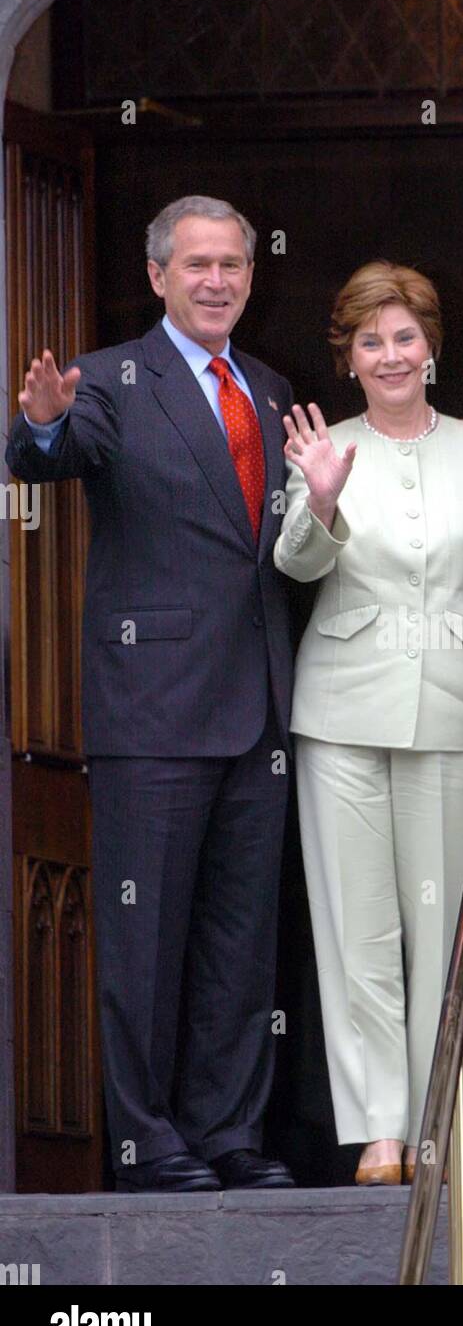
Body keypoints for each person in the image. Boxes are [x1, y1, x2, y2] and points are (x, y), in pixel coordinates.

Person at [7, 196, 295, 1192]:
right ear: (158, 276)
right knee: (146, 935)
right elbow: (50, 454)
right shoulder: (112, 378)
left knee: (238, 939)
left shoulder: (266, 385)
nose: (216, 281)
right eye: (197, 264)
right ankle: (147, 1138)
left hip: (258, 706)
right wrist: (38, 423)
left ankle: (227, 1133)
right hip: (153, 710)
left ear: (250, 278)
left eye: (232, 265)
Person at [274, 261, 463, 1184]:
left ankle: (434, 1129)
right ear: (348, 358)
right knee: (360, 934)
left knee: (442, 932)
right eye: (370, 341)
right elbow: (295, 567)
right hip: (341, 710)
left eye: (405, 337)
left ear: (432, 347)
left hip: (459, 707)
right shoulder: (320, 444)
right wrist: (325, 496)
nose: (391, 354)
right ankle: (380, 1135)